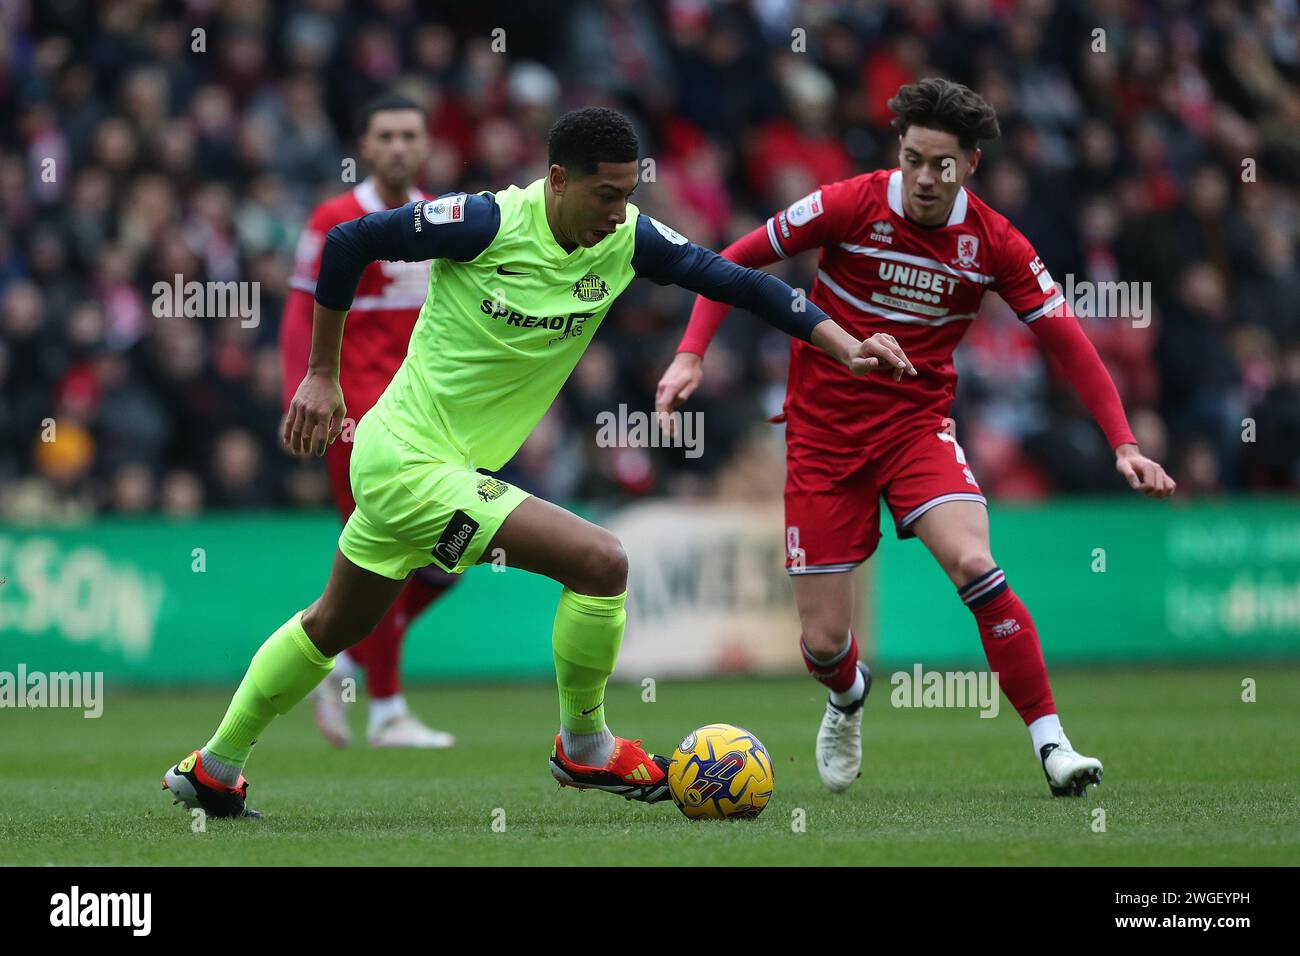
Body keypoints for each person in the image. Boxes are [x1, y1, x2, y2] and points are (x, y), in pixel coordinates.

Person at [161, 107, 913, 817]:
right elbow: (348, 242)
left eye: (628, 195)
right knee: (601, 562)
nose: (618, 212)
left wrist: (843, 344)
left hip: (433, 475)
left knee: (331, 627)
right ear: (557, 180)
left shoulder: (628, 240)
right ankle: (585, 747)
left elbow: (740, 283)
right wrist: (322, 376)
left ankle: (213, 770)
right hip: (403, 462)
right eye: (604, 194)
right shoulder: (486, 221)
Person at [656, 78, 1176, 797]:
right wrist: (691, 352)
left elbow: (1069, 343)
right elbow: (732, 261)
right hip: (822, 440)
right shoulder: (850, 202)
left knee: (973, 563)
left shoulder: (996, 242)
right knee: (825, 643)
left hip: (914, 429)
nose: (924, 178)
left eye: (941, 164)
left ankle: (1054, 745)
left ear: (972, 165)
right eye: (912, 159)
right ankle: (847, 696)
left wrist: (1122, 441)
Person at [281, 92, 455, 749]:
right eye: (386, 135)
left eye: (411, 134)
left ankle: (344, 658)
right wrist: (299, 391)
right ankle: (386, 712)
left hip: (432, 418)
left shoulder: (445, 220)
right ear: (365, 146)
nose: (399, 147)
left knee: (456, 549)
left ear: (427, 144)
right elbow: (301, 312)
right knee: (386, 554)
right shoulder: (334, 218)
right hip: (354, 419)